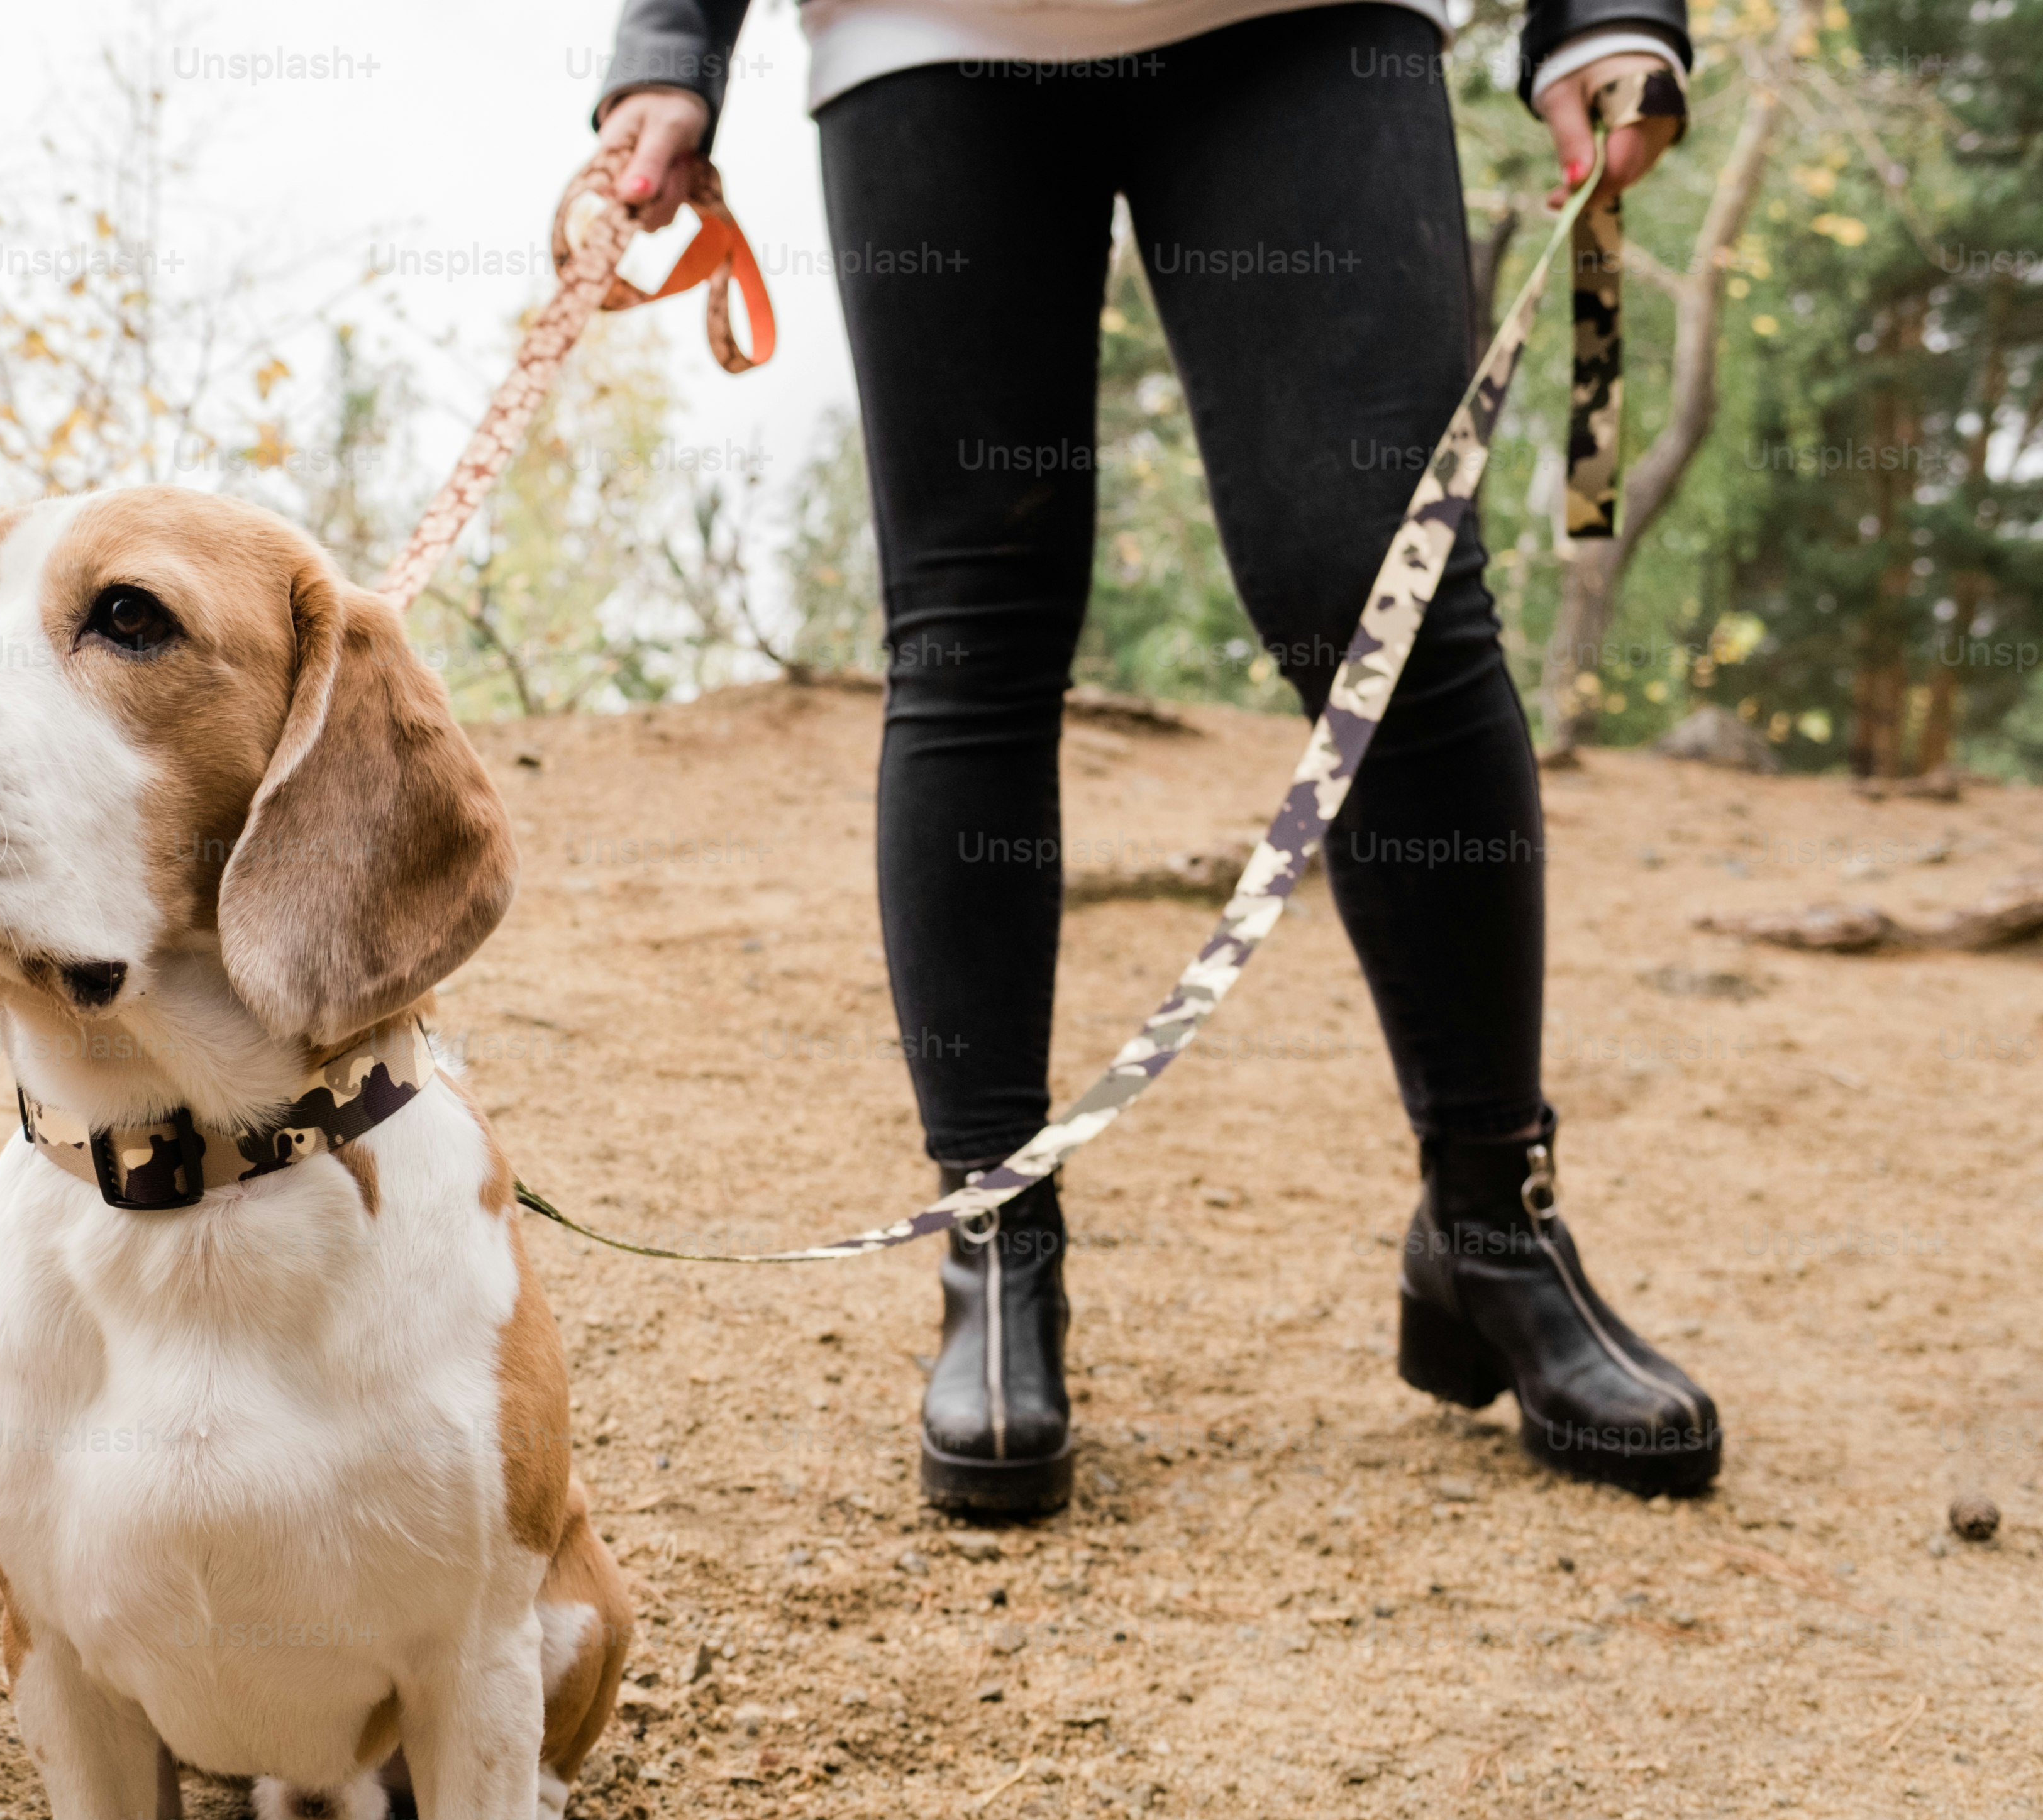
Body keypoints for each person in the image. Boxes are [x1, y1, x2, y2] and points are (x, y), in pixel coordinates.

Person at [595, 0, 1724, 1512]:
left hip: (1301, 25)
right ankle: (995, 1246)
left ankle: (1492, 1224)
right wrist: (672, 45)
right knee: (970, 630)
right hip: (929, 38)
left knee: (1388, 594)